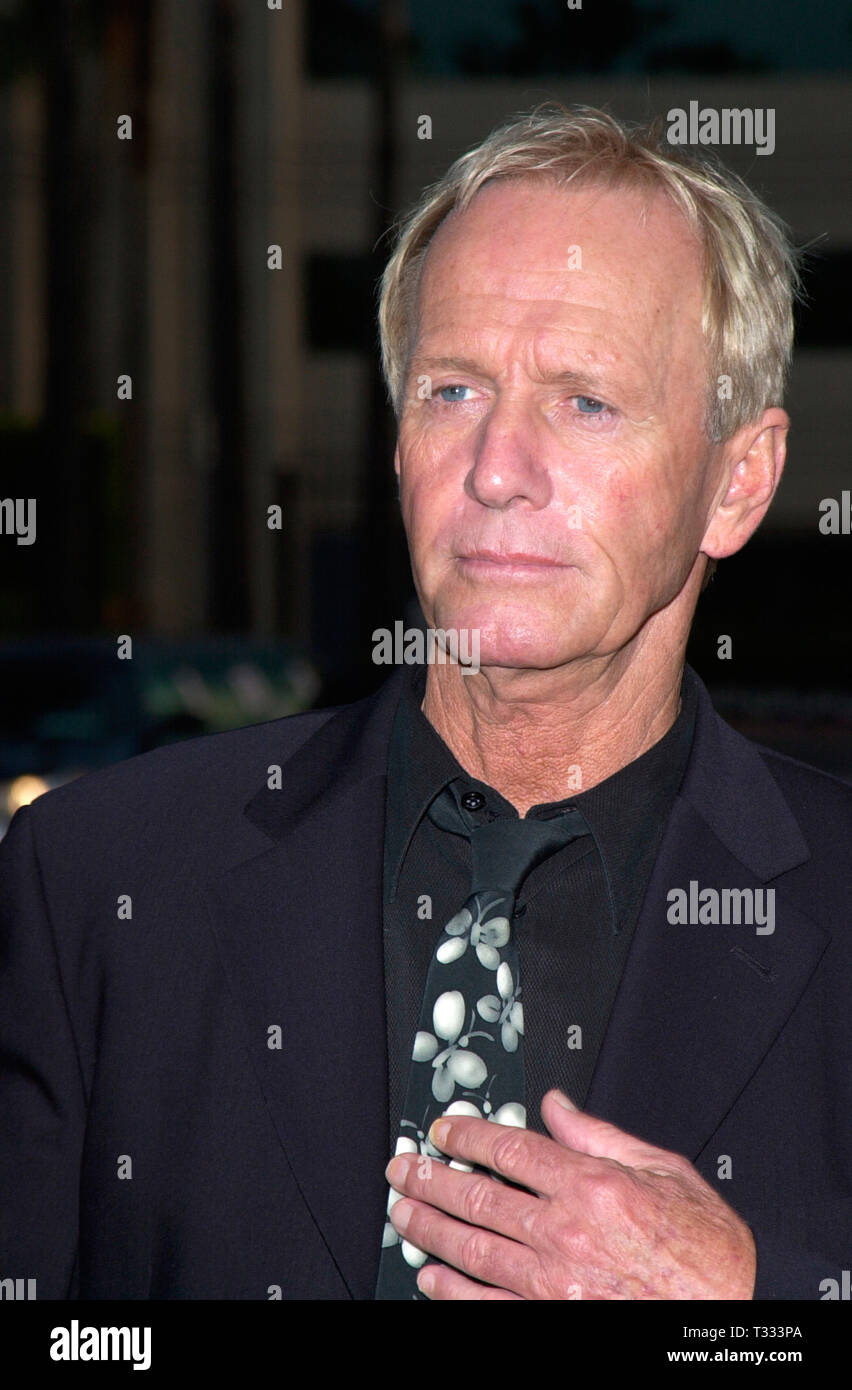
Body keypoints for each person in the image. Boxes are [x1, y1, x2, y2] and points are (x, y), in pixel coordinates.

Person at [1, 104, 849, 1301]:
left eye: (584, 401)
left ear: (738, 479)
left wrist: (743, 1309)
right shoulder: (97, 884)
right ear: (397, 445)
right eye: (452, 391)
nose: (497, 467)